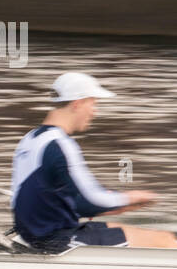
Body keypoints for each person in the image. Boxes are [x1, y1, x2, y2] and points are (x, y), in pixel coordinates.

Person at [11, 73, 176, 251]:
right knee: (167, 241)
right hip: (57, 241)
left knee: (152, 234)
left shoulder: (30, 139)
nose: (94, 112)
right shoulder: (60, 145)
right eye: (93, 103)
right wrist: (129, 197)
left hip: (38, 234)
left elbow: (42, 198)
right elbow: (91, 201)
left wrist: (115, 206)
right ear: (78, 103)